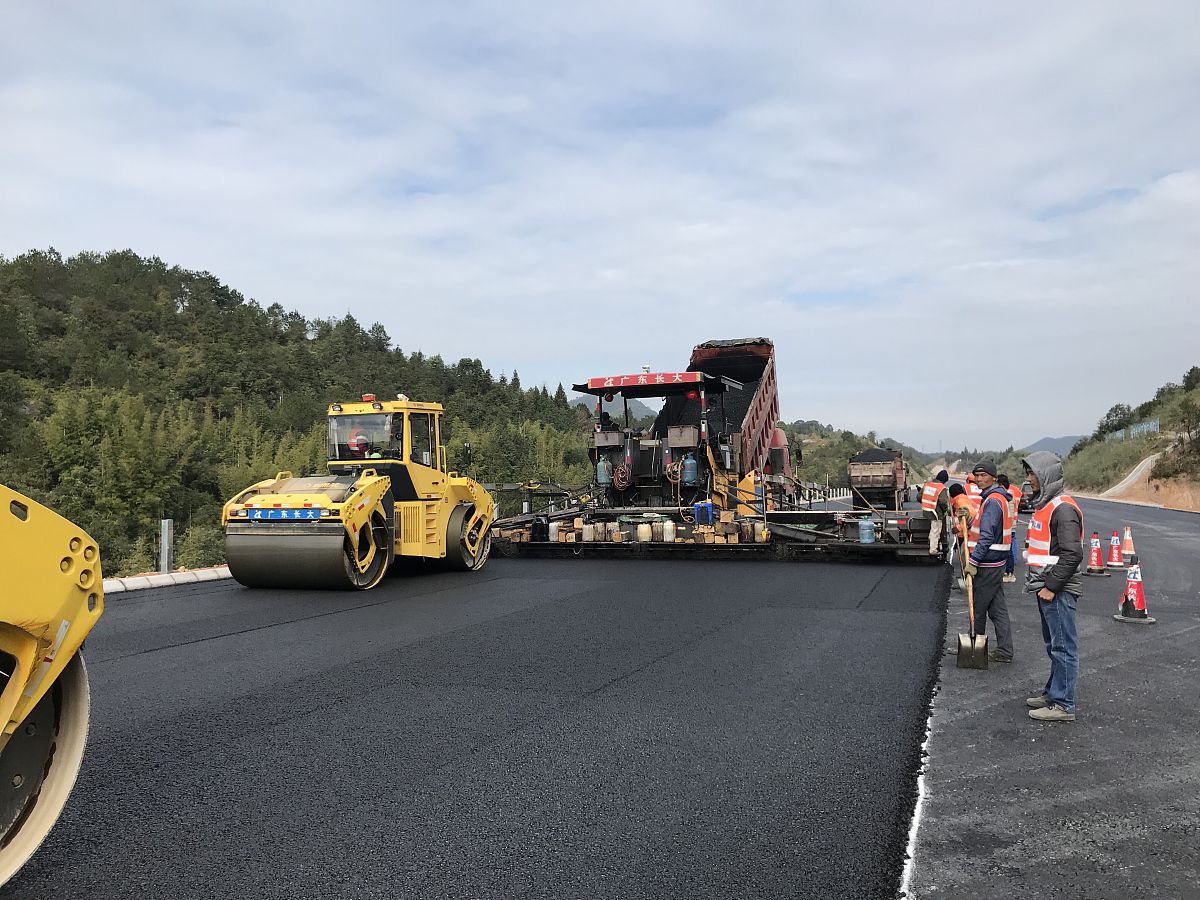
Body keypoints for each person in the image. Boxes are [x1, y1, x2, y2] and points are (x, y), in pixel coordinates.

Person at [1022, 451, 1084, 723]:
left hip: (1057, 590)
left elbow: (1072, 553)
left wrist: (1051, 587)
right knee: (1053, 645)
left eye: (1033, 473)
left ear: (1046, 475)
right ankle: (1053, 692)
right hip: (1045, 586)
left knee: (1063, 647)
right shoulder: (1047, 506)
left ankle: (1063, 704)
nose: (1029, 478)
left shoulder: (1064, 509)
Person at [965, 459, 1014, 663]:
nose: (979, 479)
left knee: (977, 606)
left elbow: (986, 536)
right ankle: (1004, 651)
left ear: (993, 477)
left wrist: (974, 561)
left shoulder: (993, 501)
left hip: (987, 563)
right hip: (997, 562)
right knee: (997, 609)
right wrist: (968, 518)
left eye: (983, 475)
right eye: (977, 475)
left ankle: (974, 646)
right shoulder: (998, 499)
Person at [919, 469, 952, 557]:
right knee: (936, 531)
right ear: (944, 480)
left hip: (926, 511)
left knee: (932, 529)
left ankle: (930, 543)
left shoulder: (927, 484)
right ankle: (933, 550)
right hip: (936, 513)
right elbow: (943, 502)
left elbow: (919, 497)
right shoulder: (942, 488)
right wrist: (945, 510)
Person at [997, 474, 1021, 583]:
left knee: (1009, 551)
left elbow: (1009, 515)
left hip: (1009, 528)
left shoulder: (1008, 497)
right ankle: (1007, 571)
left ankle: (1010, 572)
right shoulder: (1009, 495)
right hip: (1009, 527)